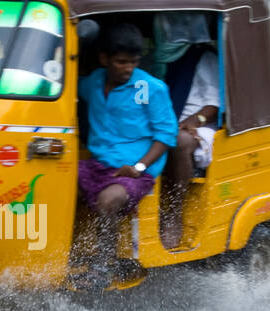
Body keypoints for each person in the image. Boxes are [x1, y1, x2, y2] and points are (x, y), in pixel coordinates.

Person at [76, 23, 178, 274]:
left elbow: (166, 135)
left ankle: (104, 262)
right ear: (104, 59)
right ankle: (65, 253)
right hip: (97, 165)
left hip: (135, 172)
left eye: (133, 62)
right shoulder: (92, 83)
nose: (128, 69)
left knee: (109, 200)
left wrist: (139, 166)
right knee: (53, 182)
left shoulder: (152, 88)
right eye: (121, 62)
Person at [164, 47, 219, 247]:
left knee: (179, 141)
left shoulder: (202, 57)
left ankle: (174, 211)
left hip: (198, 125)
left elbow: (213, 105)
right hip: (164, 121)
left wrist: (195, 120)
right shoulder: (154, 56)